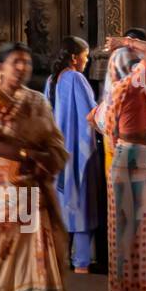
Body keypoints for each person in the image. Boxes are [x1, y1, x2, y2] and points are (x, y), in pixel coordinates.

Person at [0, 42, 70, 291]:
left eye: (26, 62)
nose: (21, 67)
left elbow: (53, 139)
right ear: (0, 68)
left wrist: (47, 156)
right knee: (10, 241)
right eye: (15, 61)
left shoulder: (37, 101)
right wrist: (29, 154)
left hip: (34, 180)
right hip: (3, 180)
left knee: (39, 237)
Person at [91, 35, 146, 291]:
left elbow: (94, 117)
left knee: (130, 232)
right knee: (140, 232)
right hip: (136, 164)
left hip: (127, 162)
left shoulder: (117, 92)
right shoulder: (132, 87)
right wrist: (126, 41)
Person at [44, 36, 99, 273]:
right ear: (75, 58)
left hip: (56, 149)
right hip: (76, 148)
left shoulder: (51, 80)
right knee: (81, 200)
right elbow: (93, 114)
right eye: (86, 58)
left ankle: (60, 257)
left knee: (61, 201)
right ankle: (82, 262)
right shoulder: (76, 78)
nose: (86, 63)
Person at [98, 27, 146, 174]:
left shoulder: (110, 99)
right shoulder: (134, 86)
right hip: (139, 161)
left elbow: (93, 119)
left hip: (119, 164)